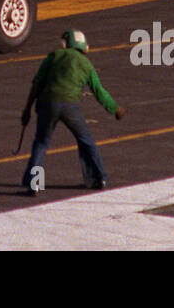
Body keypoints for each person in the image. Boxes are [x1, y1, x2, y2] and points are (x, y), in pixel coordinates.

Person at [20, 29, 124, 194]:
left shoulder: (53, 56)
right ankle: (99, 178)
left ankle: (34, 184)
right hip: (70, 106)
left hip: (47, 104)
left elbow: (36, 84)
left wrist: (27, 109)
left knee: (41, 143)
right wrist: (114, 108)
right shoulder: (86, 64)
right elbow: (99, 91)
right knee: (86, 140)